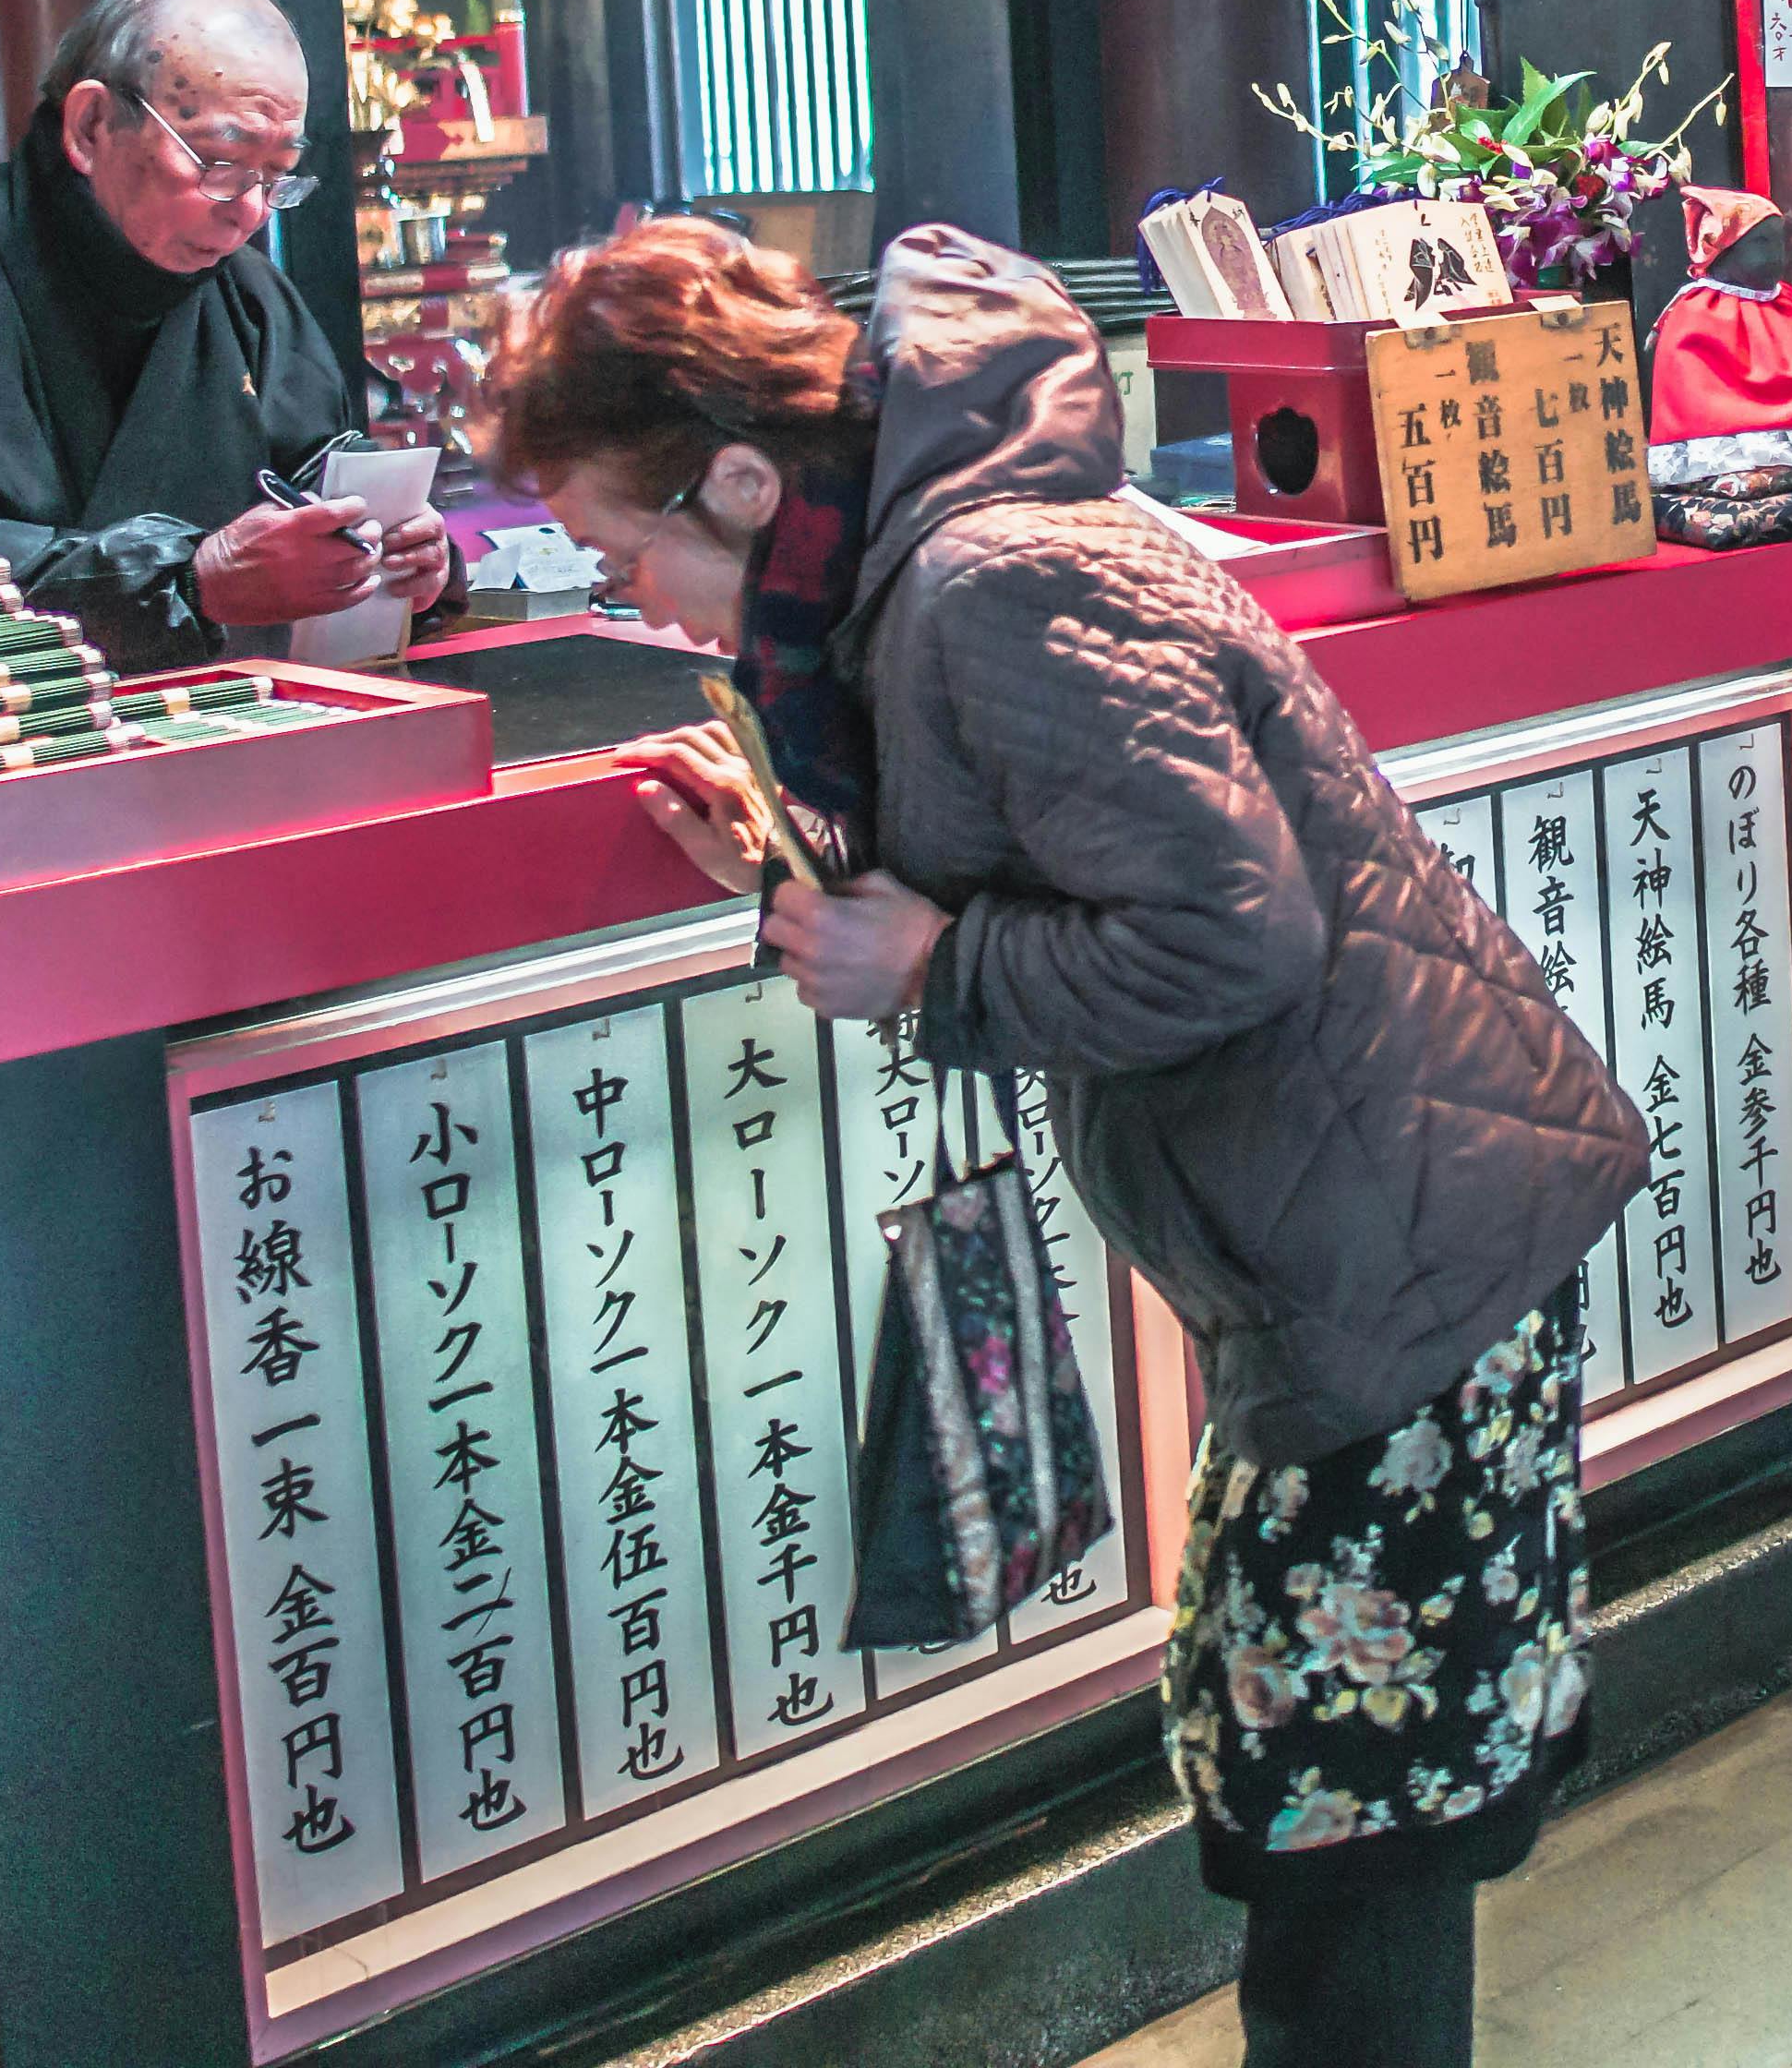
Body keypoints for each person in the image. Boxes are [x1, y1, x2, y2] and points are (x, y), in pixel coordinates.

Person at [475, 219, 1646, 2068]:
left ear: (746, 476)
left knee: (1339, 1824)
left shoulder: (987, 574)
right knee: (1342, 1799)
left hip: (1394, 1248)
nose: (638, 607)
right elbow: (1051, 824)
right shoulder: (943, 547)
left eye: (628, 553)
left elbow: (1229, 930)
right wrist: (805, 863)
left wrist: (935, 966)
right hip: (1381, 1226)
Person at [0, 0, 450, 667]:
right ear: (91, 126)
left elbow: (317, 469)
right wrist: (190, 581)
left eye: (276, 176)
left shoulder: (247, 294)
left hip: (240, 726)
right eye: (219, 162)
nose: (249, 213)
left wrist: (398, 550)